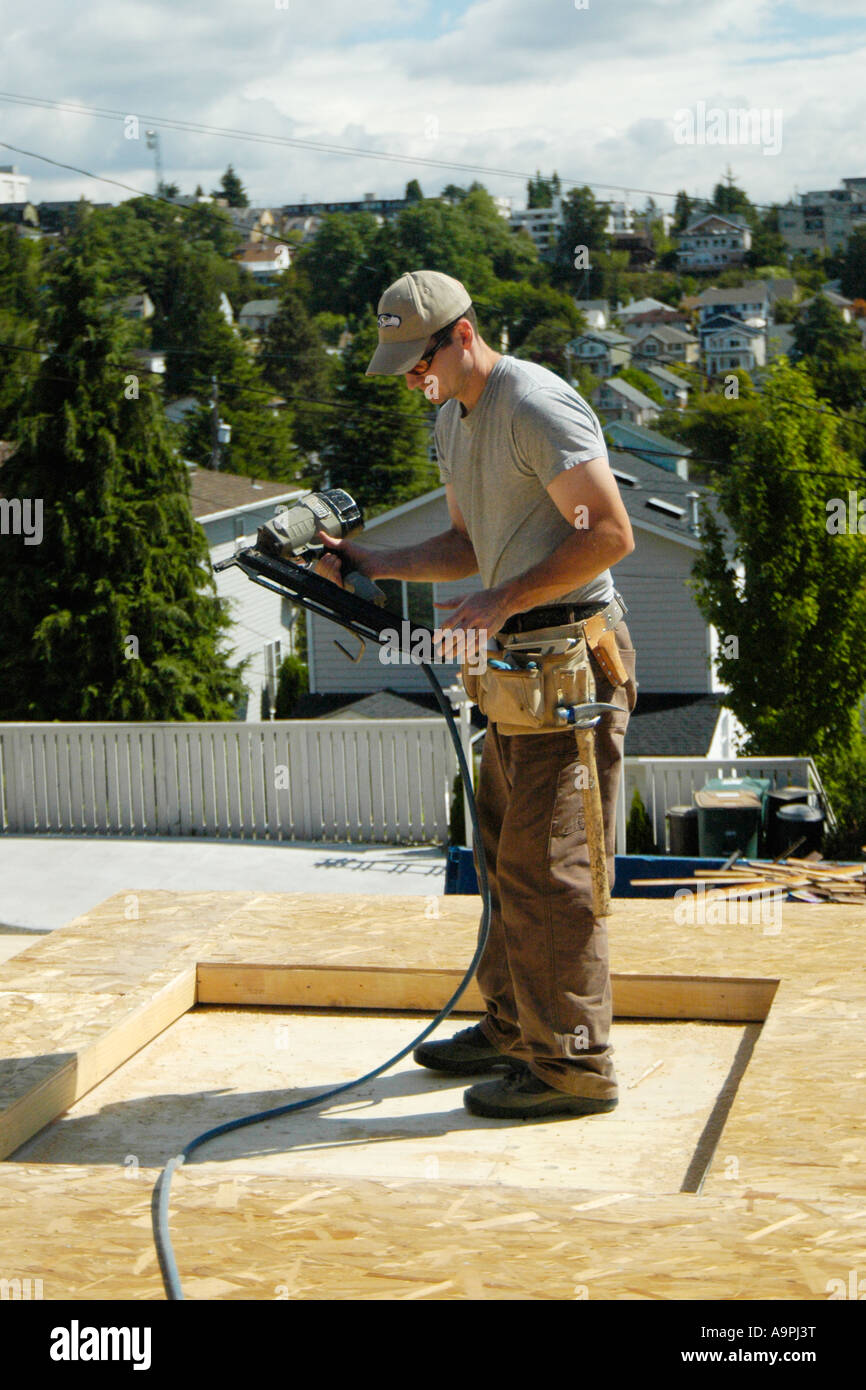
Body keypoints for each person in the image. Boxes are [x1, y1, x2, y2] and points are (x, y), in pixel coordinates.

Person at [315, 269, 637, 1120]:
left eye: (416, 364)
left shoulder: (533, 404)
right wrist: (369, 560)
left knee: (554, 871)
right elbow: (467, 542)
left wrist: (500, 599)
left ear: (460, 337)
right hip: (517, 674)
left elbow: (608, 534)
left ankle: (574, 1066)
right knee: (503, 854)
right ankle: (509, 1026)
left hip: (572, 665)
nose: (411, 381)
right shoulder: (454, 421)